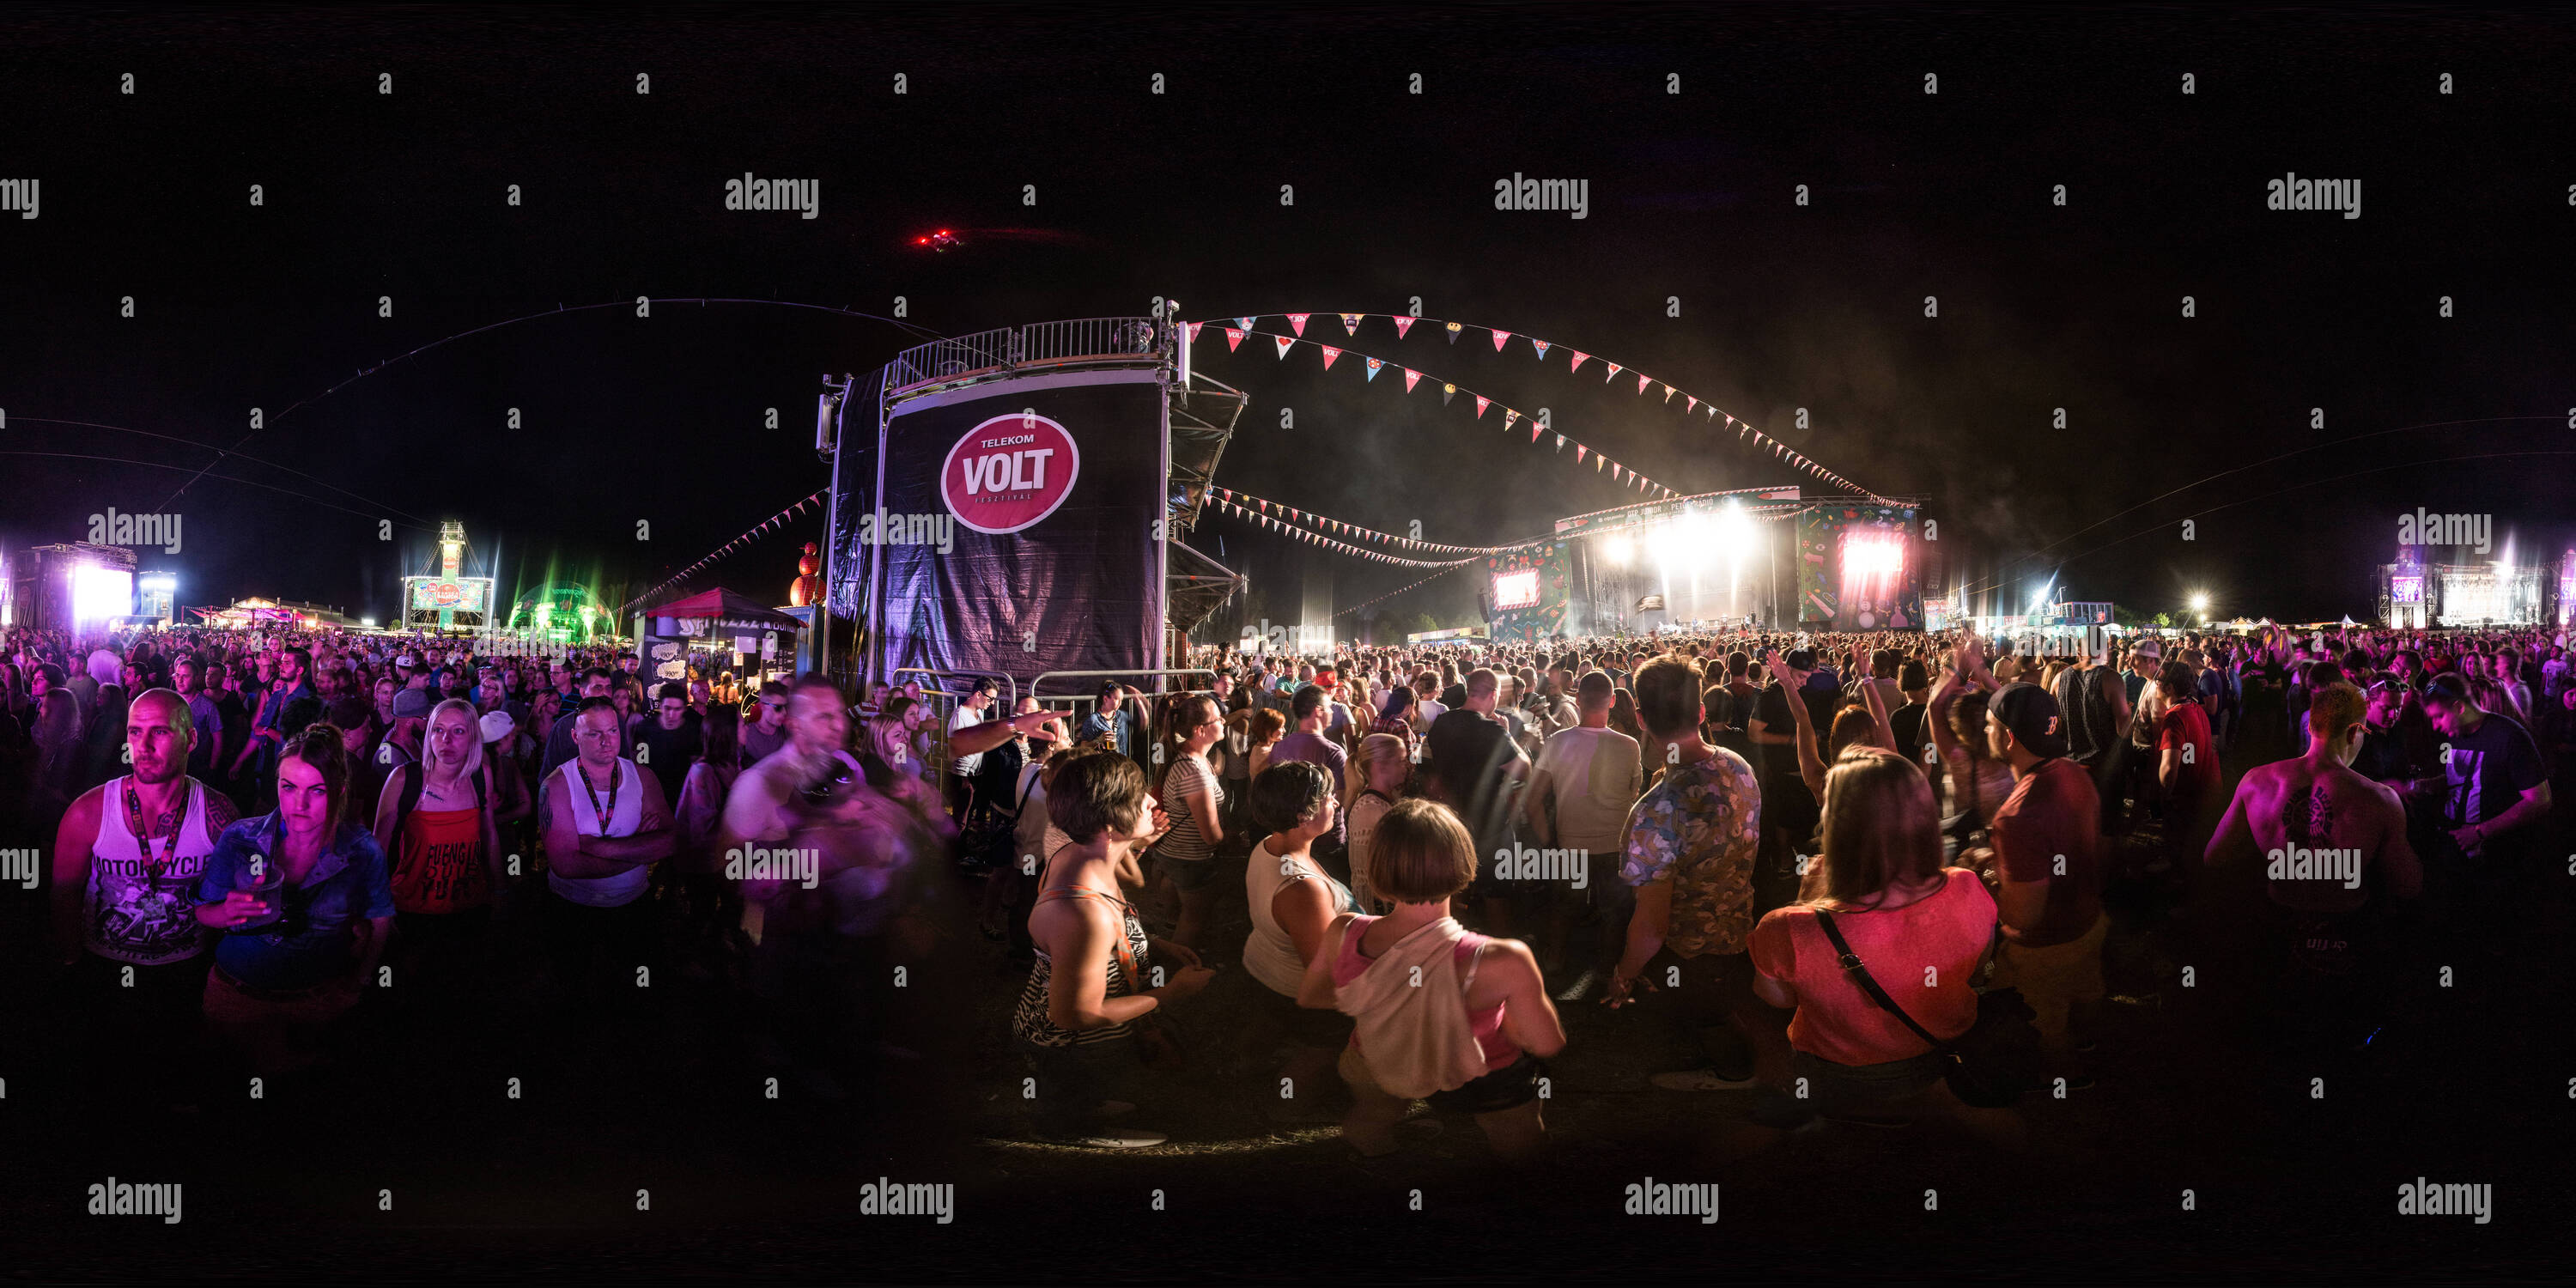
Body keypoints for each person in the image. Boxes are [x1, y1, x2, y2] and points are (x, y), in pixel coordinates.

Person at [1746, 746, 2019, 1142]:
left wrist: (1809, 905)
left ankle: (1852, 1111)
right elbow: (1978, 971)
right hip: (1944, 1052)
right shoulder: (1968, 886)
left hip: (1840, 1070)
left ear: (1835, 827)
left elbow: (1779, 1000)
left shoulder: (1788, 927)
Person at [1299, 798, 1566, 1162]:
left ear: (1378, 868)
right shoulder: (1504, 959)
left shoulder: (1343, 932)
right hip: (1483, 1071)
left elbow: (1312, 997)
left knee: (1375, 1113)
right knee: (1516, 1133)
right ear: (1462, 862)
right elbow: (1546, 1042)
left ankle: (1371, 1152)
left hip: (1376, 1056)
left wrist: (1388, 1001)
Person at [2206, 681, 2421, 1058]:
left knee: (2283, 1034)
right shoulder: (2380, 800)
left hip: (2279, 926)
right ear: (2355, 731)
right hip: (2347, 934)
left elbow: (2214, 856)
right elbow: (2408, 886)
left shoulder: (2257, 781)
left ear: (2311, 726)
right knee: (2341, 1040)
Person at [51, 688, 240, 1108]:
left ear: (191, 740)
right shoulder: (89, 812)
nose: (144, 746)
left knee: (173, 1085)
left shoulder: (219, 815)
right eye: (136, 732)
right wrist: (71, 964)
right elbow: (64, 893)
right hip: (105, 971)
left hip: (184, 975)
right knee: (106, 1081)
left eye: (160, 733)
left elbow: (234, 899)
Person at [1015, 752, 1213, 1147]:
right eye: (1140, 796)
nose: (1153, 802)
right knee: (1070, 1086)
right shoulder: (1081, 913)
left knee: (1080, 1085)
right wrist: (1169, 995)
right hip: (1067, 1045)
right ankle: (1074, 1129)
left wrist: (1152, 943)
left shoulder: (1079, 853)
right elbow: (1077, 1013)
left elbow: (1117, 906)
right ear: (1108, 823)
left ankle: (1083, 1105)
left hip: (1072, 1043)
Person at [1604, 656, 1780, 1094]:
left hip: (1690, 951)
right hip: (1738, 925)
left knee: (1709, 1017)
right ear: (1701, 712)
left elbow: (1651, 927)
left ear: (1641, 718)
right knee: (1719, 1002)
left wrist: (1624, 973)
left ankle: (1732, 1073)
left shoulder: (1653, 811)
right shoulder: (1738, 766)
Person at [194, 723, 395, 1076]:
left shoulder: (363, 850)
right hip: (236, 998)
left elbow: (380, 920)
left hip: (317, 1003)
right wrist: (225, 912)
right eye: (288, 787)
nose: (299, 804)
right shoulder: (241, 838)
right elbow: (203, 913)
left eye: (316, 791)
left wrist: (361, 981)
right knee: (226, 1093)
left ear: (339, 791)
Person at [1984, 681, 2105, 1089]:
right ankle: (2088, 1043)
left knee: (2046, 1030)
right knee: (2086, 997)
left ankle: (2068, 1087)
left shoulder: (2015, 816)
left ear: (2009, 736)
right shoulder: (2074, 772)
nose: (1985, 732)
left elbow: (2023, 915)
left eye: (1989, 725)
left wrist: (1987, 884)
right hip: (2089, 923)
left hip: (2046, 949)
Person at [538, 696, 676, 1031]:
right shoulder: (556, 785)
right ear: (575, 737)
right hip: (573, 907)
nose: (606, 740)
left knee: (637, 983)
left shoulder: (642, 777)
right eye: (594, 733)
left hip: (632, 904)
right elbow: (565, 865)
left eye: (613, 730)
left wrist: (601, 848)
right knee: (573, 988)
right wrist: (640, 850)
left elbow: (670, 840)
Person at [1242, 760, 1362, 1121]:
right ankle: (1287, 1108)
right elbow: (1323, 968)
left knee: (1269, 1027)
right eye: (1327, 798)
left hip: (1264, 968)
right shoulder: (1301, 889)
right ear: (1301, 815)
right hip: (1295, 987)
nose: (1336, 803)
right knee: (1322, 1048)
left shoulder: (1269, 844)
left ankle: (1248, 1064)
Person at [371, 697, 507, 1005]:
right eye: (439, 730)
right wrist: (380, 912)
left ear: (473, 737)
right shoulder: (404, 779)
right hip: (414, 915)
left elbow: (489, 832)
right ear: (429, 733)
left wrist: (499, 890)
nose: (446, 740)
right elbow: (376, 851)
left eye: (458, 731)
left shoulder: (479, 775)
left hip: (469, 909)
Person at [1527, 670, 1643, 991]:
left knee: (1564, 905)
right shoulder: (1630, 746)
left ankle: (1555, 959)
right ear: (1614, 701)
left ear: (1577, 699)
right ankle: (1607, 969)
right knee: (1613, 911)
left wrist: (1548, 840)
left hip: (1570, 843)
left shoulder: (1557, 742)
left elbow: (1532, 800)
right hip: (1614, 842)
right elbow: (1634, 794)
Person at [1149, 694, 1229, 951]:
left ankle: (1168, 929)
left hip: (1175, 852)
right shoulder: (1193, 772)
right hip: (1190, 857)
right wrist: (1231, 838)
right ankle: (1181, 968)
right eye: (1218, 718)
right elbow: (1211, 836)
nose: (1224, 721)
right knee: (1194, 917)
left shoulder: (1191, 757)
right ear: (1200, 730)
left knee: (1183, 908)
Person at [1343, 732, 1411, 914]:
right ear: (1380, 766)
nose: (1407, 766)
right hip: (1380, 910)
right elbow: (1369, 879)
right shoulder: (1370, 810)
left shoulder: (1385, 800)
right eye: (1401, 761)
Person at [627, 681, 703, 806]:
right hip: (652, 795)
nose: (671, 715)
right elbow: (640, 763)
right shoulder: (645, 728)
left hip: (682, 797)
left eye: (677, 709)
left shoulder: (693, 732)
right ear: (661, 706)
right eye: (667, 708)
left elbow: (697, 769)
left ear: (684, 708)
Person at [741, 686, 793, 766]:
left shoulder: (787, 732)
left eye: (785, 707)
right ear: (763, 706)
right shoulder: (746, 734)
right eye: (778, 708)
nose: (784, 712)